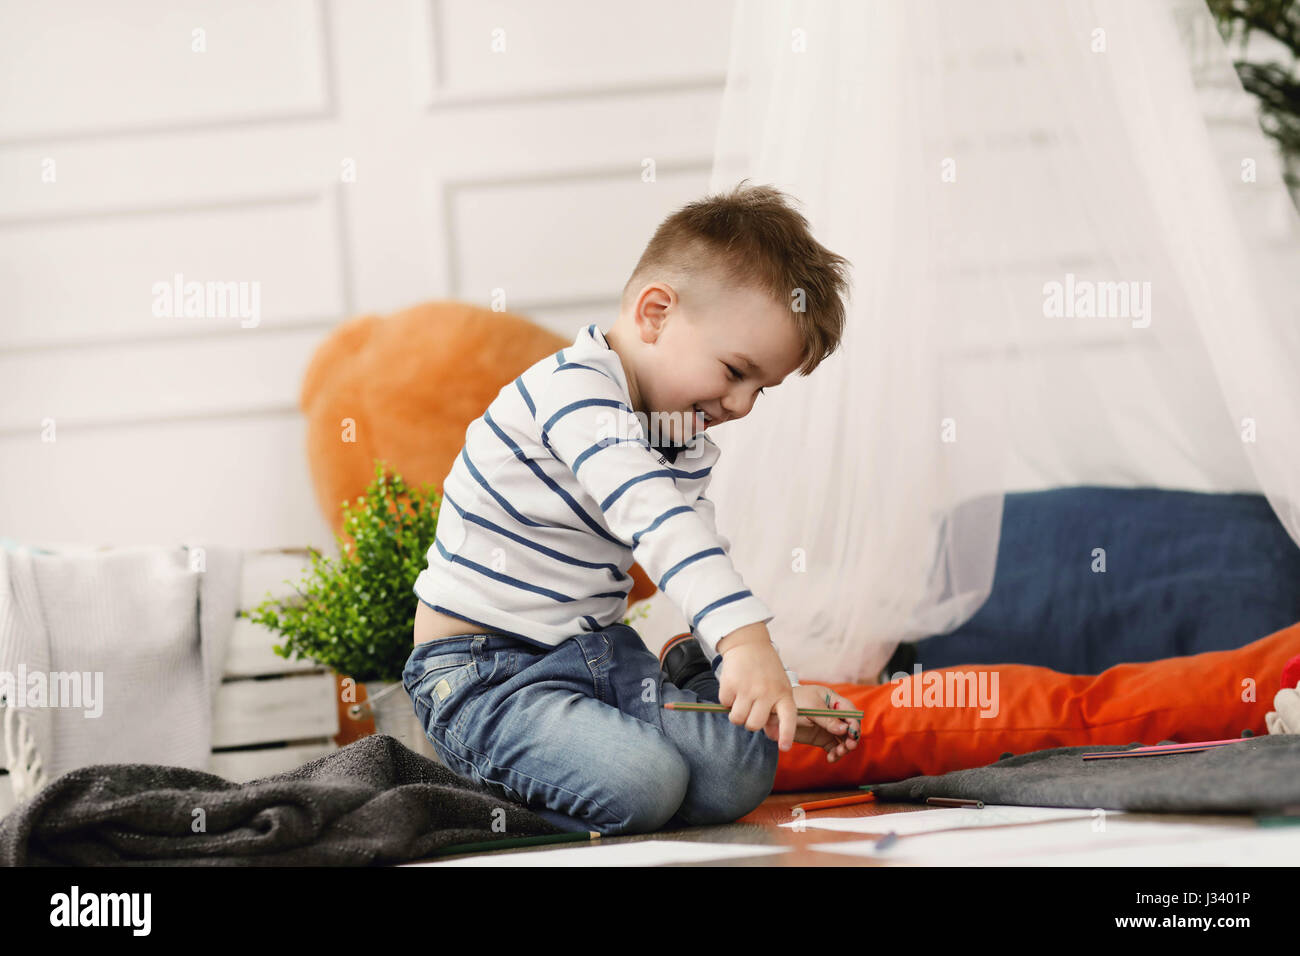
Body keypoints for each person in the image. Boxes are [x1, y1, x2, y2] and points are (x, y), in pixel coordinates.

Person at [404, 180, 857, 834]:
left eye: (764, 388)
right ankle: (494, 776)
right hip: (485, 673)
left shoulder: (680, 434)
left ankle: (703, 681)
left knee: (740, 773)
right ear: (654, 313)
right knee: (647, 783)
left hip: (602, 657)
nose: (742, 405)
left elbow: (699, 549)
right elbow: (656, 518)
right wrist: (743, 636)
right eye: (735, 371)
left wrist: (766, 682)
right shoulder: (574, 394)